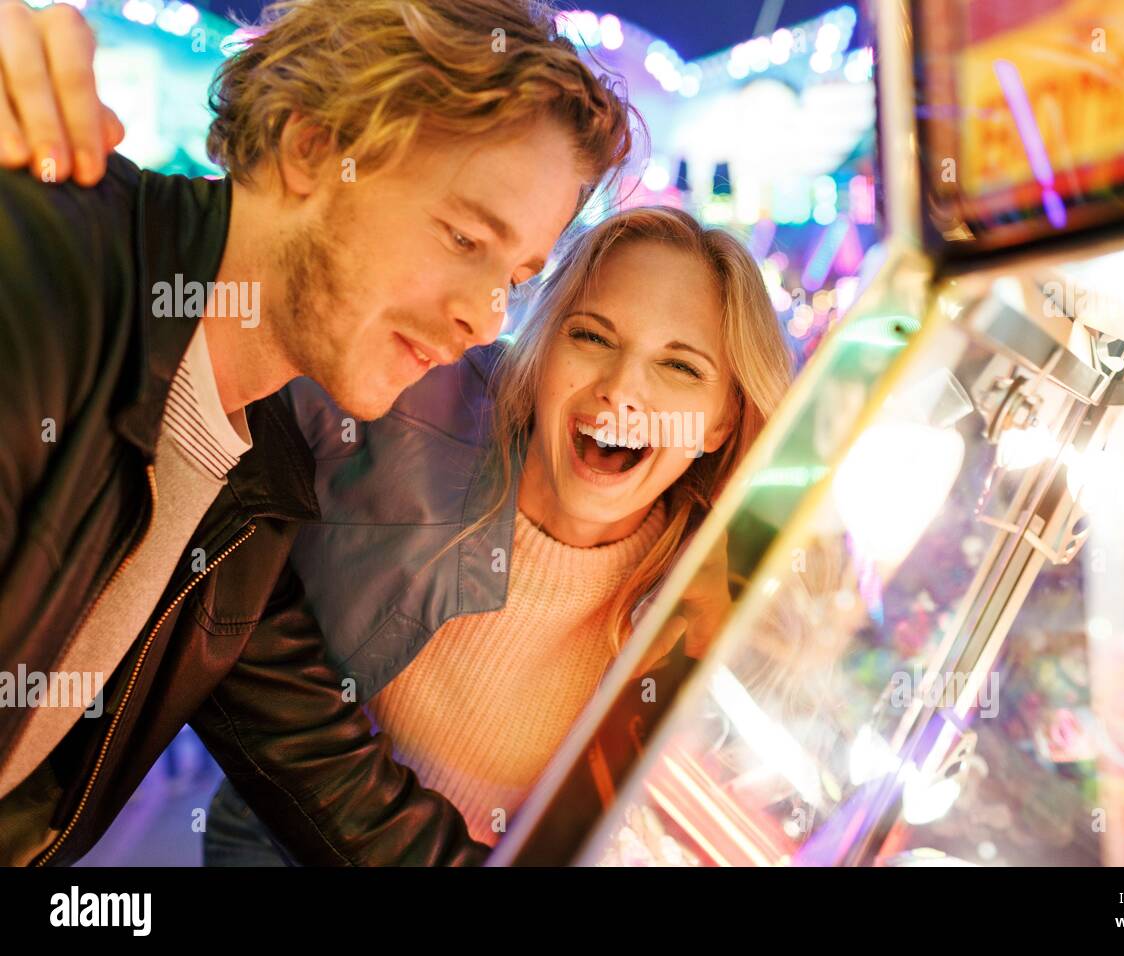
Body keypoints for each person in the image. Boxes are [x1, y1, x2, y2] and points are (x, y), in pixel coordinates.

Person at [0, 0, 631, 866]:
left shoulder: (256, 484)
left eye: (517, 277)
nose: (487, 320)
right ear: (309, 149)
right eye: (463, 237)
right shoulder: (47, 270)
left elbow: (334, 784)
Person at [203, 204, 793, 864]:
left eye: (680, 367)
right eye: (593, 337)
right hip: (278, 842)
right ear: (540, 353)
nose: (622, 390)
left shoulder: (708, 602)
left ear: (719, 424)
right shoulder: (417, 403)